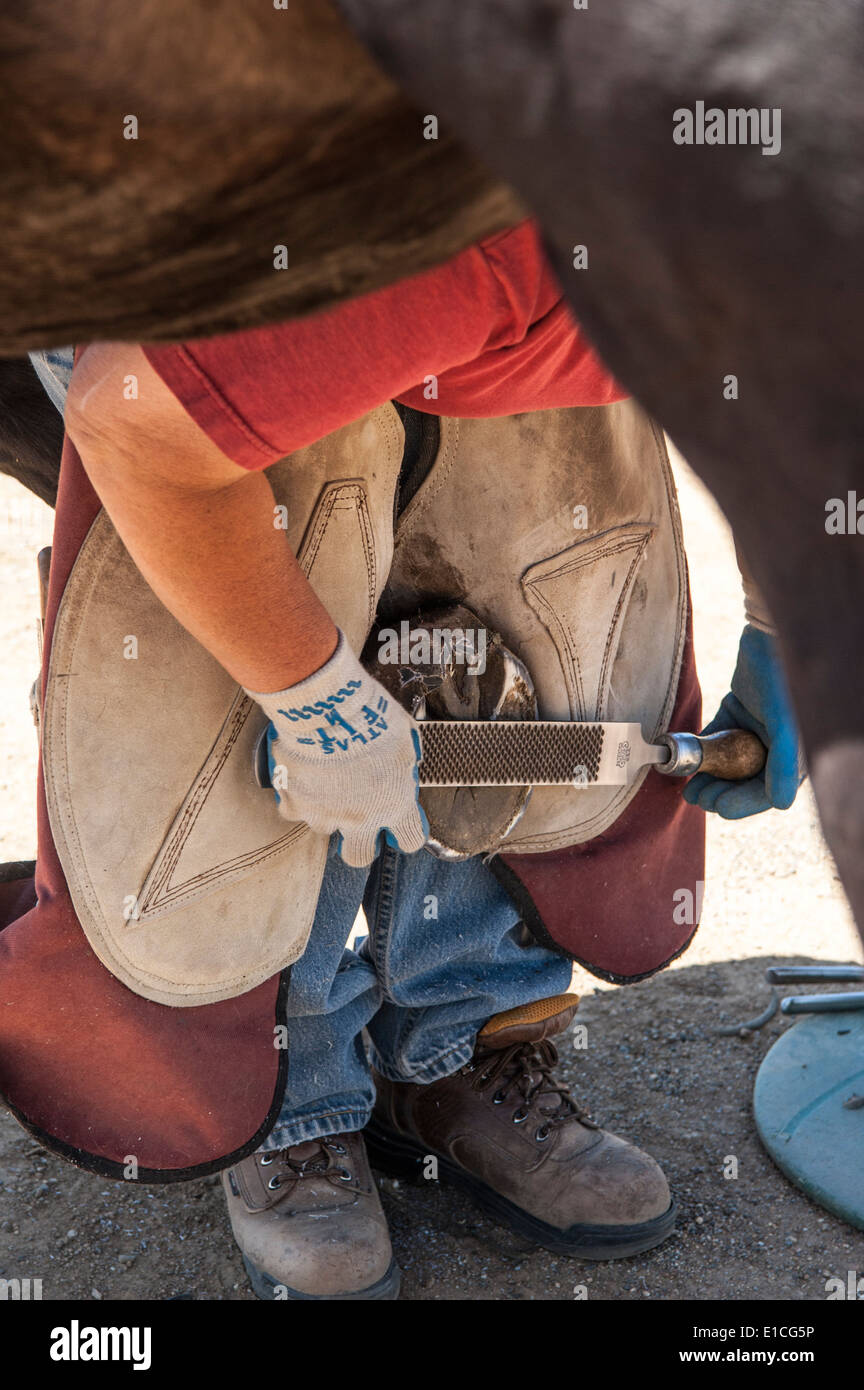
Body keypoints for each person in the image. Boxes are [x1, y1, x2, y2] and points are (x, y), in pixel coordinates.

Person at [51, 219, 800, 1300]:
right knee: (249, 660)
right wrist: (317, 699)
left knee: (542, 568)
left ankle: (459, 1044)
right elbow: (139, 421)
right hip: (225, 296)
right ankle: (292, 1097)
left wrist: (789, 626)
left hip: (487, 307)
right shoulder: (488, 235)